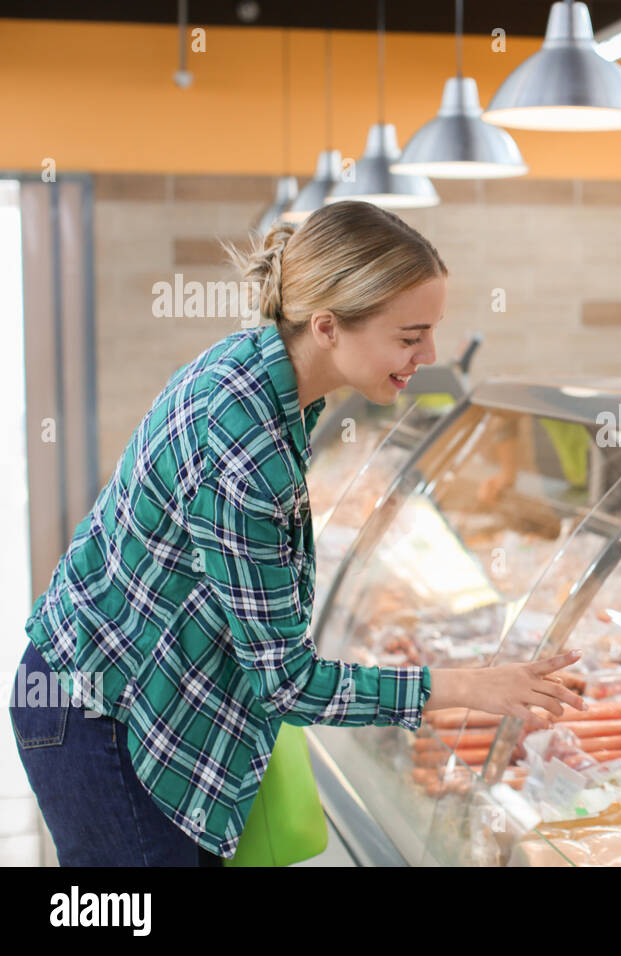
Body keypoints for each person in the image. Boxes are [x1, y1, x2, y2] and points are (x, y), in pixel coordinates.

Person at [7, 200, 585, 866]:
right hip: (105, 718)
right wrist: (465, 687)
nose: (429, 354)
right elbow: (287, 685)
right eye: (409, 335)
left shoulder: (265, 374)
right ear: (328, 326)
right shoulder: (244, 439)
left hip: (135, 690)